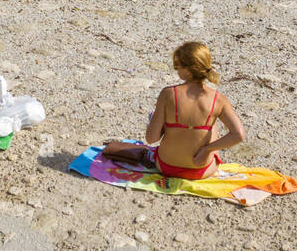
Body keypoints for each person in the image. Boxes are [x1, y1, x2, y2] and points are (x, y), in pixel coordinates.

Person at [102, 40, 245, 181]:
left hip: (166, 166)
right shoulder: (218, 99)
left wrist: (162, 124)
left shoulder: (168, 94)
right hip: (200, 170)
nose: (176, 69)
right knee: (211, 124)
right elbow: (239, 135)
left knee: (176, 121)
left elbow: (151, 139)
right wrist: (207, 149)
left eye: (177, 66)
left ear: (188, 70)